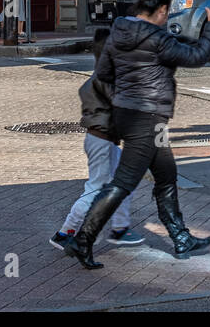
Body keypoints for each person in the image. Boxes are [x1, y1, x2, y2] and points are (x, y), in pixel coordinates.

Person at [61, 0, 210, 269]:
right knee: (123, 182)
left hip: (134, 116)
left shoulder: (118, 33)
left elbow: (103, 73)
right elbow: (198, 57)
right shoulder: (158, 39)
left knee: (166, 175)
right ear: (161, 9)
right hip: (148, 118)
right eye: (168, 11)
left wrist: (127, 92)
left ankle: (181, 236)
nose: (167, 16)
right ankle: (82, 240)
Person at [51, 29, 143, 253]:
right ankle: (65, 233)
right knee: (96, 189)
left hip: (103, 139)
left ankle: (120, 228)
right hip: (101, 140)